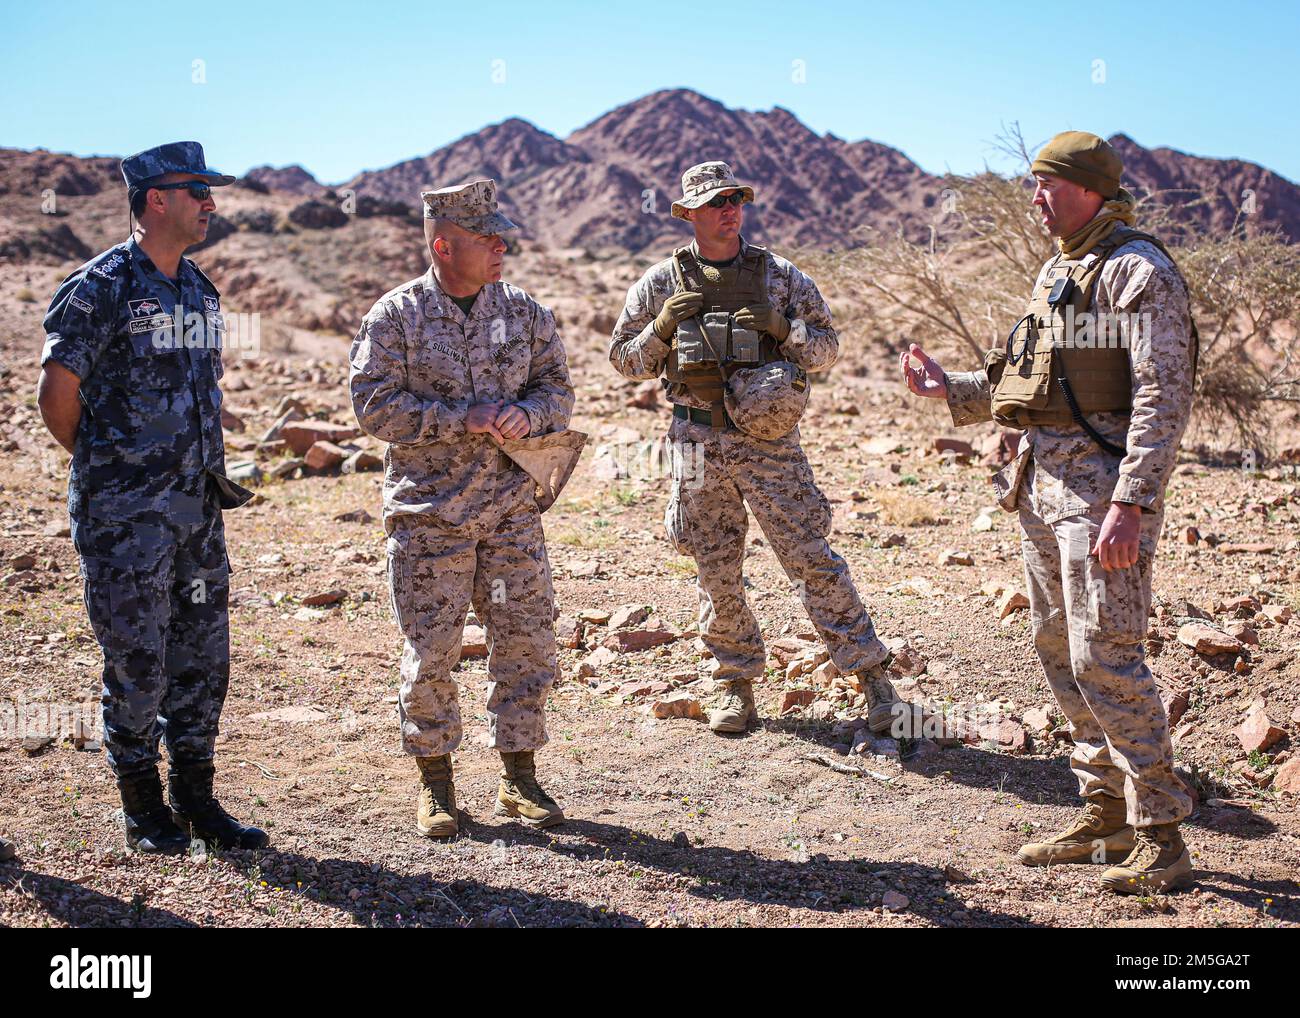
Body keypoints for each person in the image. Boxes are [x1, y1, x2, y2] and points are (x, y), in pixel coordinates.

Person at [901, 131, 1196, 894]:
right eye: (1031, 185)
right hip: (1041, 484)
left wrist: (1132, 501)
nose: (1035, 200)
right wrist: (950, 390)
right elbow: (1029, 378)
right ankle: (1104, 810)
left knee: (1108, 653)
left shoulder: (1141, 271)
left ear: (1091, 188)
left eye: (1048, 186)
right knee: (1058, 647)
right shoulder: (1059, 269)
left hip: (1103, 495)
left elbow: (1164, 398)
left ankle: (1161, 833)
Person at [610, 160, 908, 736]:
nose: (729, 209)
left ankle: (873, 681)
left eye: (736, 199)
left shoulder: (781, 276)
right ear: (689, 214)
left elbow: (827, 350)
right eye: (716, 202)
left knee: (809, 559)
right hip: (697, 440)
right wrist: (661, 329)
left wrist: (783, 327)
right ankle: (733, 681)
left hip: (770, 444)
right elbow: (625, 362)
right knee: (715, 566)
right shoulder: (658, 284)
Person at [37, 141, 266, 854]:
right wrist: (112, 470)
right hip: (125, 519)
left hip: (197, 514)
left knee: (202, 658)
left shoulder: (198, 289)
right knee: (137, 660)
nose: (210, 202)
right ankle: (142, 807)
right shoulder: (99, 286)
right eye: (196, 189)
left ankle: (195, 798)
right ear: (155, 199)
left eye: (210, 190)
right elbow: (57, 396)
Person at [350, 179, 576, 837]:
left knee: (526, 641)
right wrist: (460, 418)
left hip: (511, 510)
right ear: (444, 244)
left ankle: (520, 778)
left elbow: (556, 391)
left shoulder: (525, 311)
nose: (502, 246)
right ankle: (437, 787)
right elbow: (373, 406)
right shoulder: (396, 317)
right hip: (431, 515)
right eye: (487, 238)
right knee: (432, 651)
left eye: (503, 235)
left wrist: (526, 414)